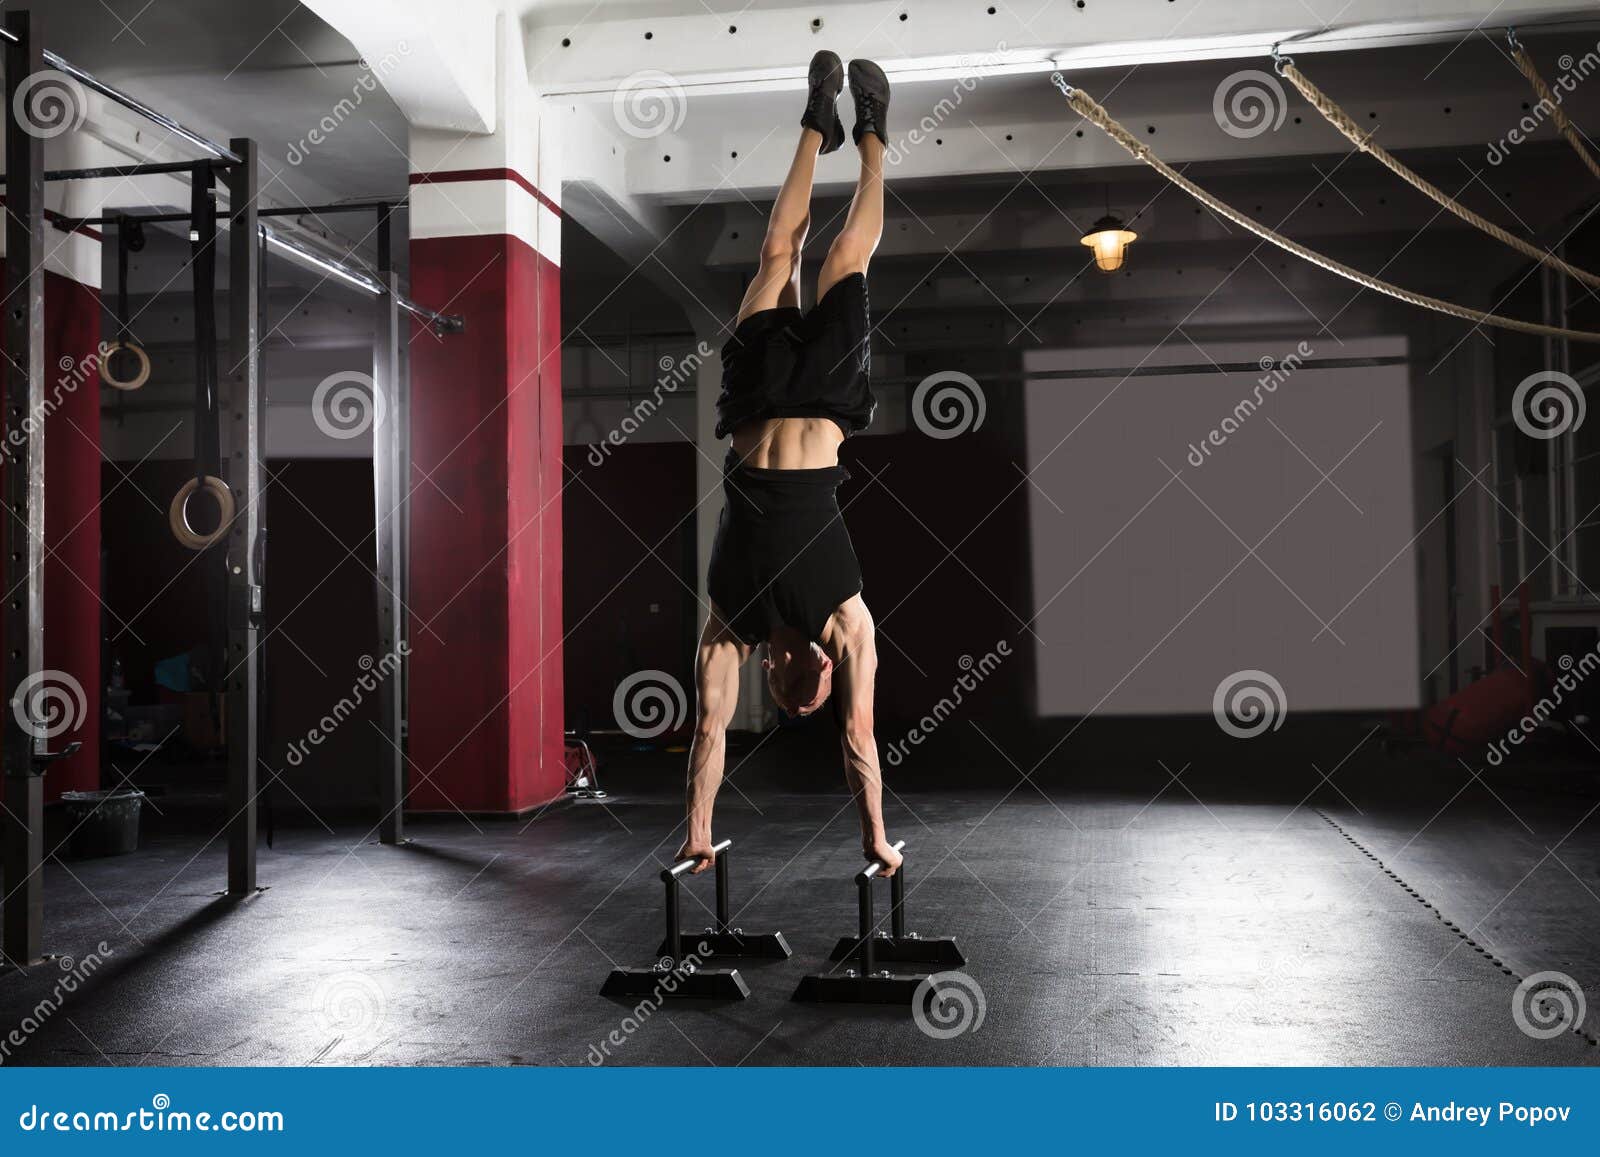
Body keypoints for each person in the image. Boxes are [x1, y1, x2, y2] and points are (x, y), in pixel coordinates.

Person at [676, 52, 901, 878]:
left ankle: (816, 119)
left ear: (773, 670)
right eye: (807, 678)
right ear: (825, 665)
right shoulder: (850, 623)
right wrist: (875, 834)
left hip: (754, 401)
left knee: (776, 253)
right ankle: (870, 136)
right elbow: (859, 737)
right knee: (845, 257)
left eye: (787, 678)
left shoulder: (730, 625)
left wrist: (698, 825)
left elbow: (707, 732)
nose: (796, 668)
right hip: (828, 401)